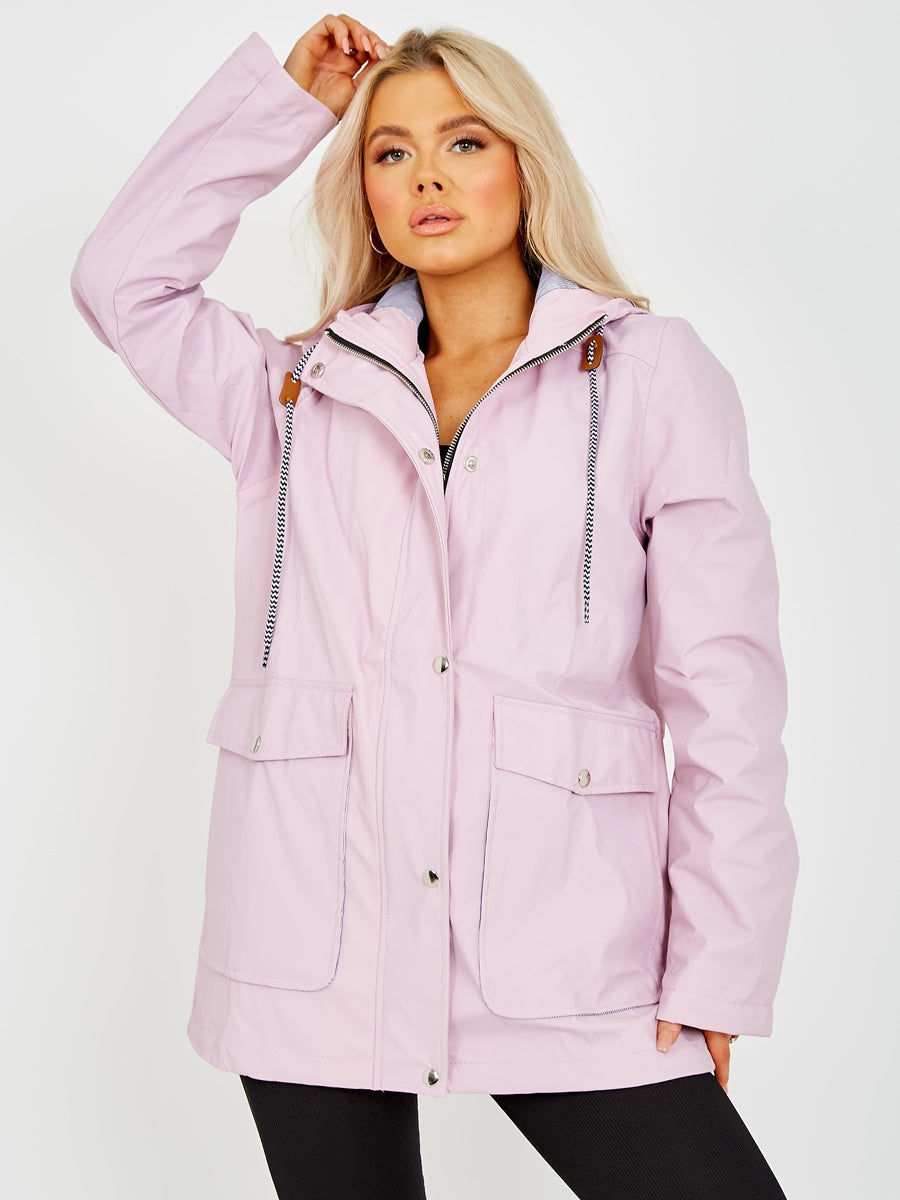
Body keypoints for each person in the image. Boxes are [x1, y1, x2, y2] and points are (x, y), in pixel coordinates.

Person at [71, 12, 800, 1198]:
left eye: (464, 142)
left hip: (569, 948)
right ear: (362, 192)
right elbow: (121, 282)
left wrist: (721, 961)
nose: (427, 177)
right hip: (315, 940)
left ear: (525, 163)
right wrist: (289, 109)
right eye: (390, 151)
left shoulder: (653, 375)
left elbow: (727, 698)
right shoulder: (294, 392)